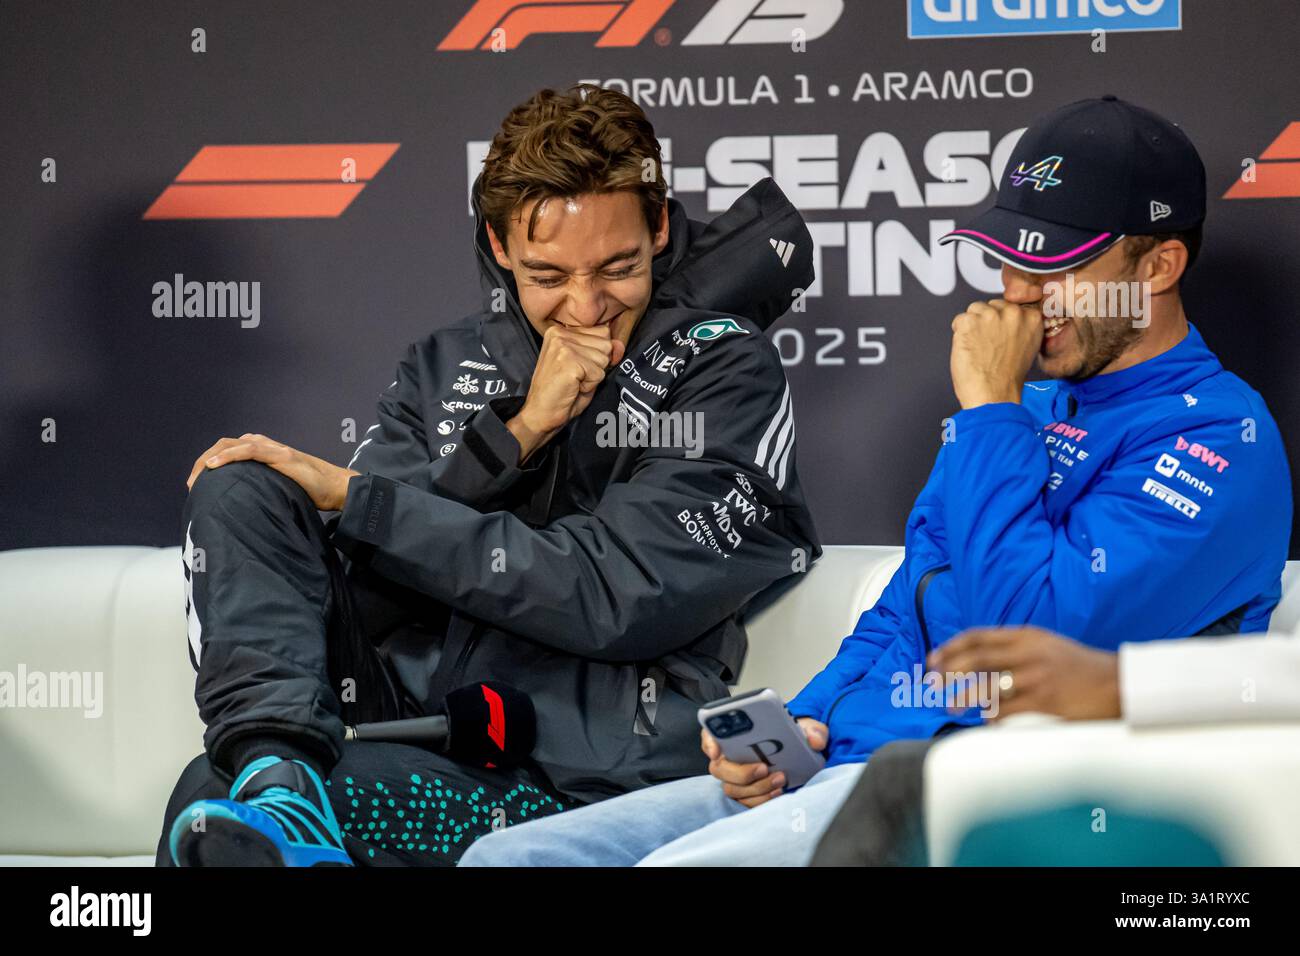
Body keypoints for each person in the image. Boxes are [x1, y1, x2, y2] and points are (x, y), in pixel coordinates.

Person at [459, 95, 1292, 868]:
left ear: (1159, 265)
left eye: (1057, 267)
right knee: (507, 860)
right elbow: (910, 600)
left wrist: (992, 412)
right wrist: (801, 725)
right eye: (1008, 261)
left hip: (981, 793)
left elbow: (1024, 650)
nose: (1023, 297)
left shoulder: (1219, 436)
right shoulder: (1024, 405)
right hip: (844, 768)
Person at [157, 83, 821, 867]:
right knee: (240, 484)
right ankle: (278, 766)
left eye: (618, 267)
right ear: (500, 247)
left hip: (573, 780)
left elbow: (614, 594)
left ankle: (283, 794)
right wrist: (517, 436)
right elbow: (363, 600)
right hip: (415, 725)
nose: (586, 306)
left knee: (210, 796)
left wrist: (363, 500)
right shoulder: (442, 365)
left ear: (661, 227)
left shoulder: (722, 368)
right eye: (548, 276)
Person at [810, 622, 1300, 866]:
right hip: (832, 749)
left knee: (898, 779)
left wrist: (1122, 680)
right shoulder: (1016, 430)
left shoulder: (1211, 432)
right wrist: (804, 715)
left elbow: (1012, 618)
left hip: (947, 745)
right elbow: (887, 621)